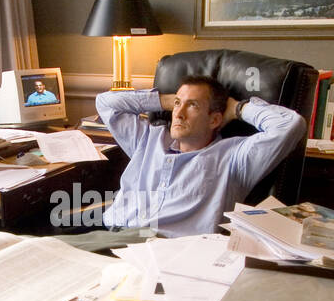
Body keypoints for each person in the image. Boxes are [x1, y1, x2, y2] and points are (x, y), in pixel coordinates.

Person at [94, 75, 305, 238]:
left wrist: (237, 108)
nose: (179, 113)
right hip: (112, 234)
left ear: (215, 120)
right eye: (178, 104)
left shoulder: (235, 158)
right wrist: (168, 101)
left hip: (167, 251)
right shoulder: (148, 139)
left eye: (192, 105)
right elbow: (105, 102)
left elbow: (290, 125)